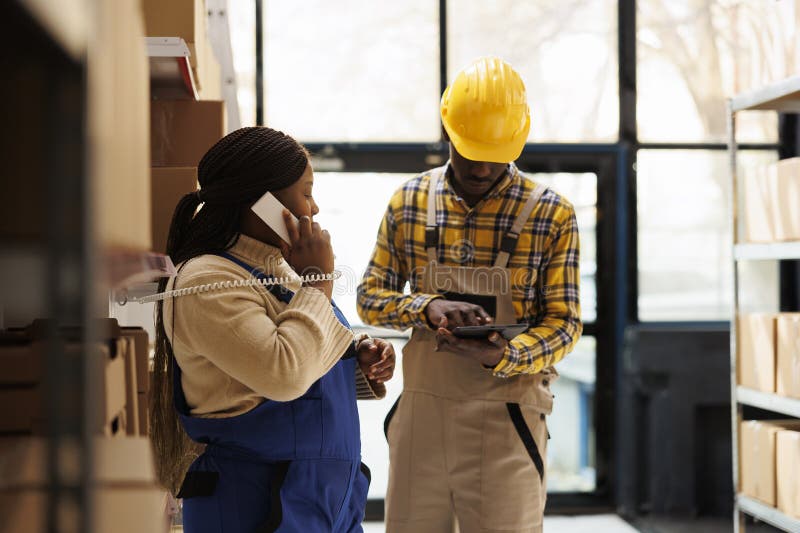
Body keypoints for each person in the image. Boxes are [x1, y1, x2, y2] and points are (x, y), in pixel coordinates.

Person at [357, 56, 582, 533]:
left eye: (494, 152)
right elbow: (370, 296)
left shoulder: (552, 215)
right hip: (423, 418)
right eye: (470, 150)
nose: (481, 166)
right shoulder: (408, 202)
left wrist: (508, 353)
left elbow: (565, 322)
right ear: (448, 132)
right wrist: (425, 305)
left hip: (508, 415)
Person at [150, 126, 396, 532]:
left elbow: (285, 366)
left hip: (321, 499)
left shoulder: (279, 271)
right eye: (306, 192)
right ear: (262, 200)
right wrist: (318, 282)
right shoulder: (204, 279)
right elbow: (283, 375)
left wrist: (356, 363)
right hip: (255, 503)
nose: (314, 209)